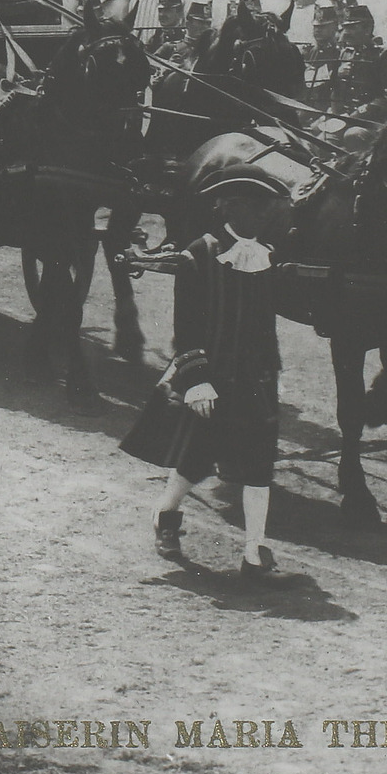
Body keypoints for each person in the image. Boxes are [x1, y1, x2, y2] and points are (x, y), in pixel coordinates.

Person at [141, 221, 287, 577]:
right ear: (225, 206)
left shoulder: (266, 254)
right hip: (211, 377)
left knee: (260, 465)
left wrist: (272, 371)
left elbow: (266, 325)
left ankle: (255, 553)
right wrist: (196, 381)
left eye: (261, 206)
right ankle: (166, 513)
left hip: (255, 380)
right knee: (197, 457)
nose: (256, 213)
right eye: (246, 203)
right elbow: (185, 327)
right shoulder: (200, 254)